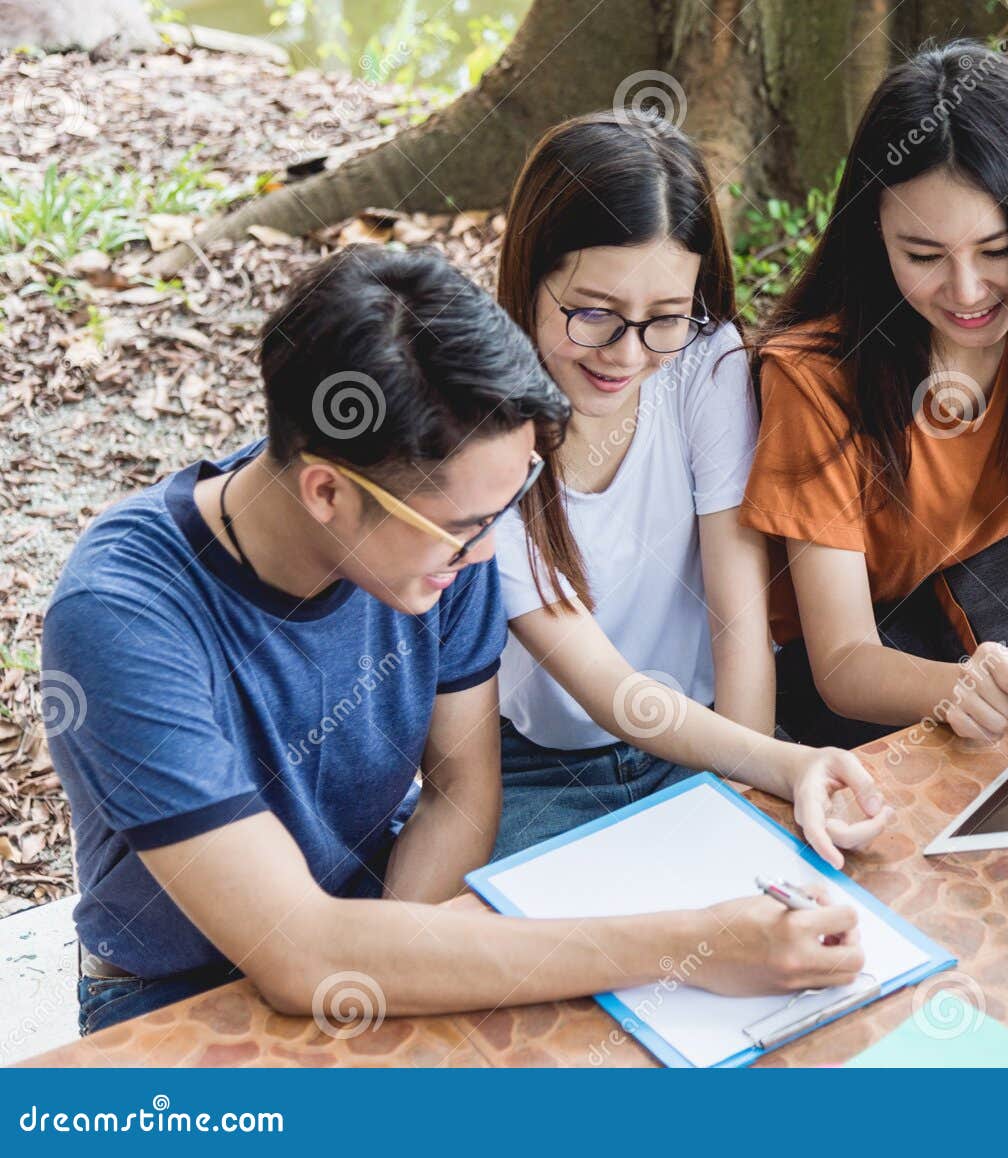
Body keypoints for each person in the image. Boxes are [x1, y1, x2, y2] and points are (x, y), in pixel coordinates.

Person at [43, 246, 864, 1035]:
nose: (486, 554)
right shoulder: (124, 618)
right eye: (465, 528)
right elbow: (299, 953)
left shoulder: (446, 530)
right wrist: (693, 946)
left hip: (375, 916)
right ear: (326, 493)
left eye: (502, 510)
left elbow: (459, 796)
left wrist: (398, 962)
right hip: (178, 994)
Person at [739, 42, 1008, 748]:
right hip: (873, 645)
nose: (967, 291)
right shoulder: (813, 374)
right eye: (923, 256)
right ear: (873, 232)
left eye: (998, 250)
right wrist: (956, 690)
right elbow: (844, 661)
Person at [489, 110, 890, 863]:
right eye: (594, 314)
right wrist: (783, 765)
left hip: (715, 734)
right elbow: (609, 689)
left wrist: (742, 795)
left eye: (665, 317)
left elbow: (740, 626)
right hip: (544, 772)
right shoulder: (482, 432)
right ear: (529, 279)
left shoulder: (706, 364)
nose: (626, 354)